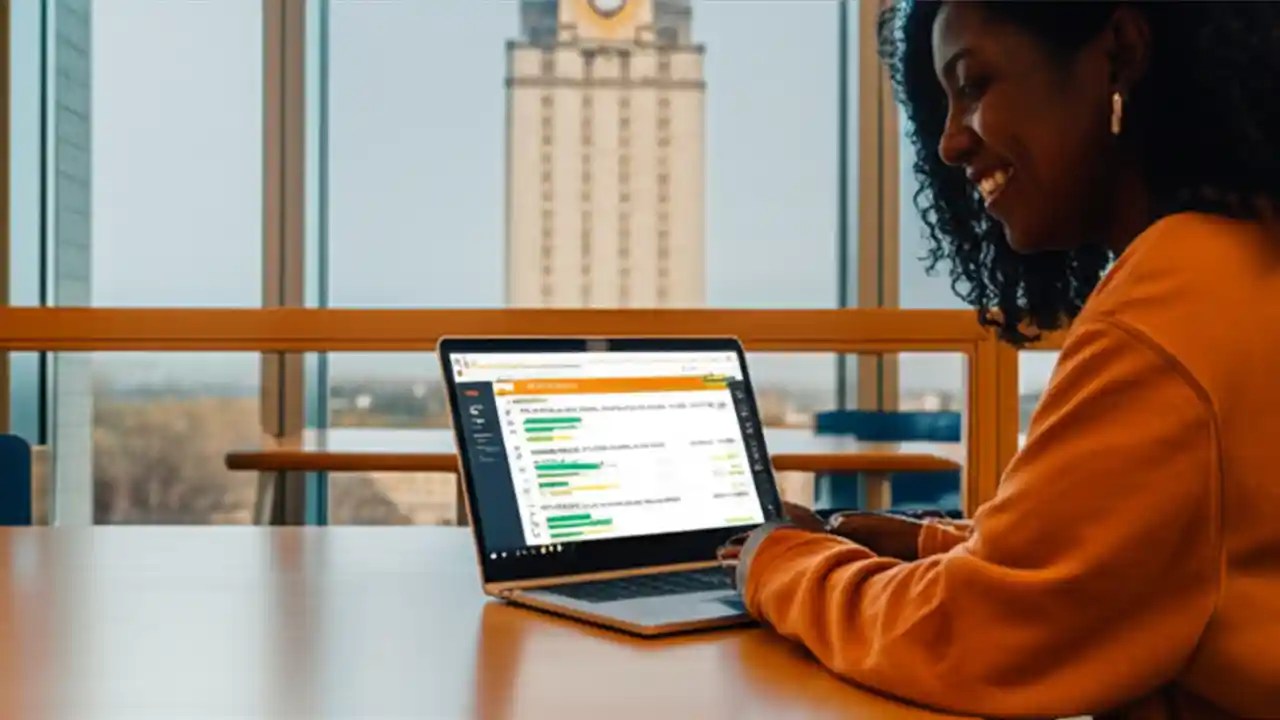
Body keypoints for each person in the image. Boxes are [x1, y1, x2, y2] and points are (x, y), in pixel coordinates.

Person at [722, 3, 1280, 719]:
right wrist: (933, 543)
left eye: (974, 84)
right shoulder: (1246, 254)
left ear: (1119, 54)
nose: (950, 142)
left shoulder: (1174, 295)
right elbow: (1163, 553)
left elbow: (973, 639)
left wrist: (775, 561)